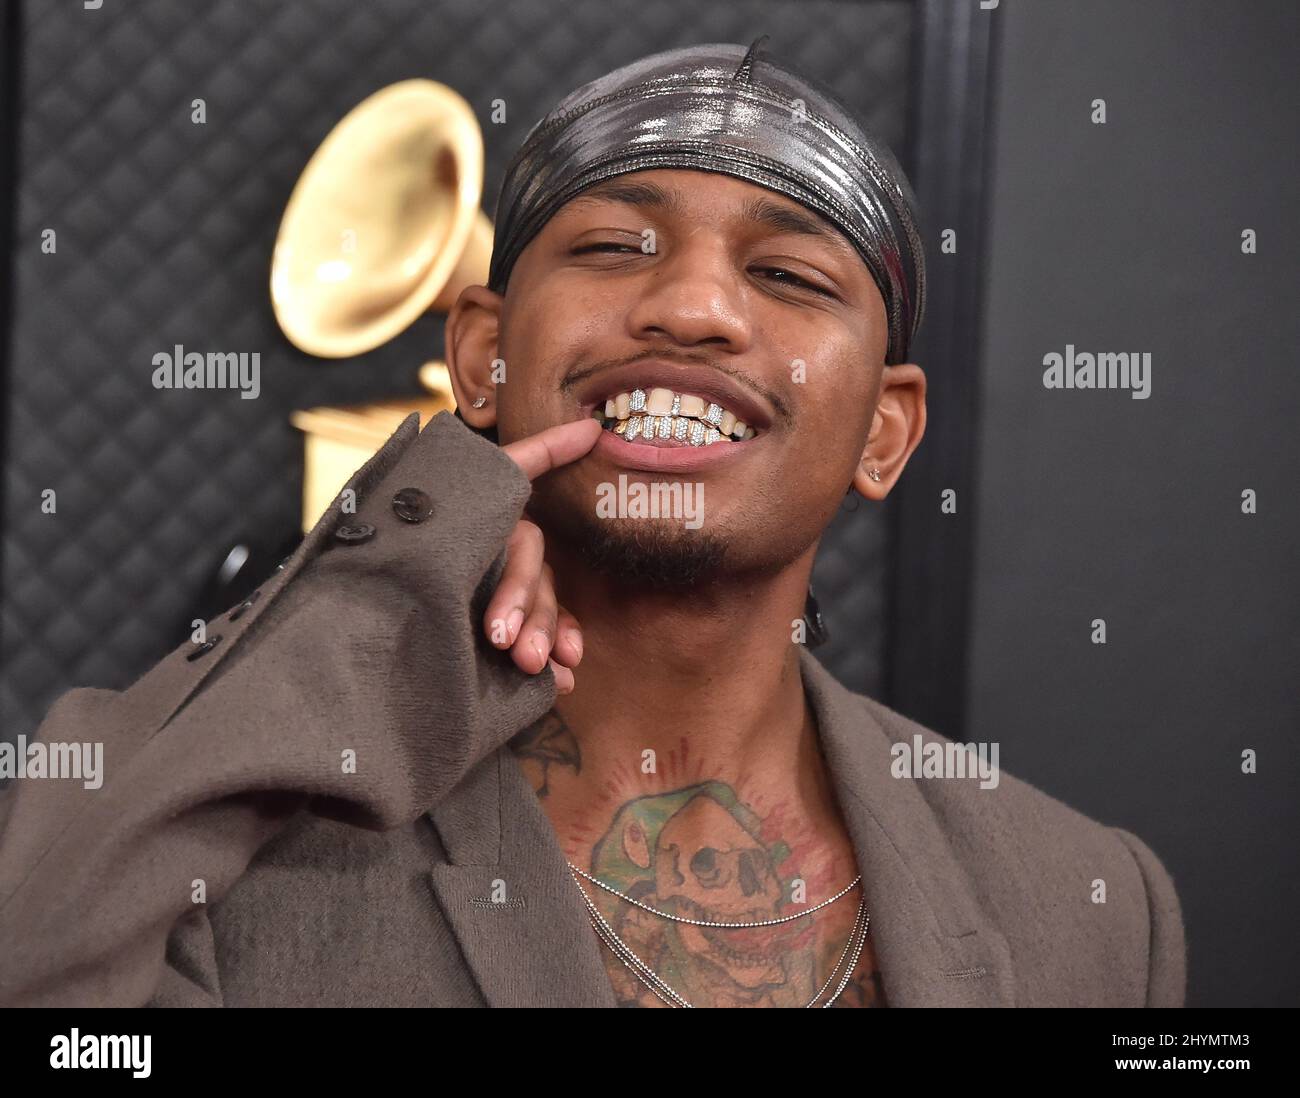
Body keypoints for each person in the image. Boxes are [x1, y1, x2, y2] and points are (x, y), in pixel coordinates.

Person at [0, 40, 1184, 1008]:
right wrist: (384, 577)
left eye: (790, 278)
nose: (694, 305)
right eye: (618, 247)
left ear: (885, 430)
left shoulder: (1094, 909)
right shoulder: (244, 857)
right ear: (481, 357)